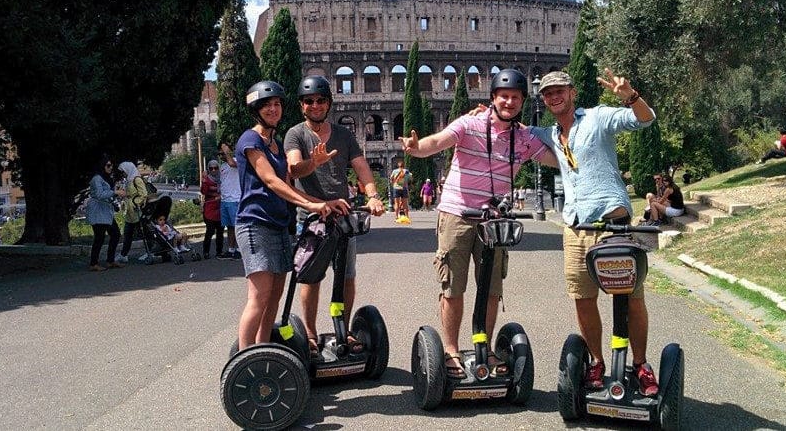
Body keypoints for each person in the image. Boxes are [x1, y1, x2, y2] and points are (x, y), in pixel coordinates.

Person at [400, 68, 557, 378]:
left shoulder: (524, 138)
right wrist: (416, 148)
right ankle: (450, 351)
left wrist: (578, 146)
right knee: (453, 287)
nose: (509, 102)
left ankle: (483, 347)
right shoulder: (469, 124)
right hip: (457, 214)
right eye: (504, 97)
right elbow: (438, 141)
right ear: (493, 98)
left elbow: (556, 159)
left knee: (491, 289)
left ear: (522, 101)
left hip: (494, 220)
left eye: (515, 97)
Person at [529, 69, 660, 396]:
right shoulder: (551, 134)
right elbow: (512, 128)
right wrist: (487, 113)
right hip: (575, 227)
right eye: (547, 93)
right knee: (583, 298)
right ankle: (598, 362)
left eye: (559, 90)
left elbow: (645, 120)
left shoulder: (599, 118)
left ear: (572, 92)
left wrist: (630, 96)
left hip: (611, 223)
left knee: (630, 297)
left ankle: (641, 364)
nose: (554, 96)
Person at [235, 80, 350, 349]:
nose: (273, 109)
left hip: (278, 225)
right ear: (256, 110)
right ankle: (244, 356)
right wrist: (310, 207)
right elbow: (271, 182)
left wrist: (325, 201)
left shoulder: (274, 144)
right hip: (255, 224)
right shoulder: (250, 140)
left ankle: (263, 348)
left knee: (275, 296)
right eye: (266, 105)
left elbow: (288, 186)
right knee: (259, 295)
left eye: (276, 104)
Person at [286, 75, 386, 356]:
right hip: (311, 214)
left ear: (328, 103)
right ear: (301, 106)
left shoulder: (343, 135)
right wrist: (312, 162)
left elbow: (361, 167)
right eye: (309, 101)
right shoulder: (296, 134)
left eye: (320, 100)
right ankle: (309, 333)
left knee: (346, 275)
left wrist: (373, 195)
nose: (315, 105)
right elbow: (294, 170)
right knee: (311, 277)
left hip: (344, 212)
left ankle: (343, 328)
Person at [87, 156, 125, 272]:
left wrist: (115, 197)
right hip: (98, 210)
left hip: (106, 210)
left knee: (115, 234)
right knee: (99, 237)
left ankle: (110, 260)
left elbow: (107, 194)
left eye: (111, 165)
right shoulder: (97, 179)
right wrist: (115, 192)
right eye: (108, 165)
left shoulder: (106, 178)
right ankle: (94, 263)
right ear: (102, 166)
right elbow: (99, 194)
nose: (110, 167)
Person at [117, 161, 148, 264]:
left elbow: (143, 194)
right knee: (127, 233)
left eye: (123, 171)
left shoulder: (136, 179)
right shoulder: (129, 180)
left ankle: (149, 251)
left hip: (136, 210)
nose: (122, 174)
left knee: (143, 232)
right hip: (130, 211)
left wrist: (136, 203)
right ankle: (124, 254)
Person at [219, 141, 242, 259]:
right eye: (220, 154)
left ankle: (239, 250)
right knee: (229, 226)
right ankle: (230, 249)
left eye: (223, 154)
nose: (222, 156)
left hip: (235, 200)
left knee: (238, 226)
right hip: (225, 200)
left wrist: (227, 152)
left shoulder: (236, 161)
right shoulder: (222, 166)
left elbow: (232, 163)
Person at [200, 159, 224, 259]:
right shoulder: (207, 179)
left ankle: (219, 252)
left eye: (216, 168)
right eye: (211, 168)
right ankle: (206, 252)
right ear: (208, 169)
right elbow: (204, 192)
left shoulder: (222, 178)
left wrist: (221, 196)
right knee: (209, 231)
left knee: (220, 232)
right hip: (209, 209)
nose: (214, 170)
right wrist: (204, 180)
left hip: (220, 208)